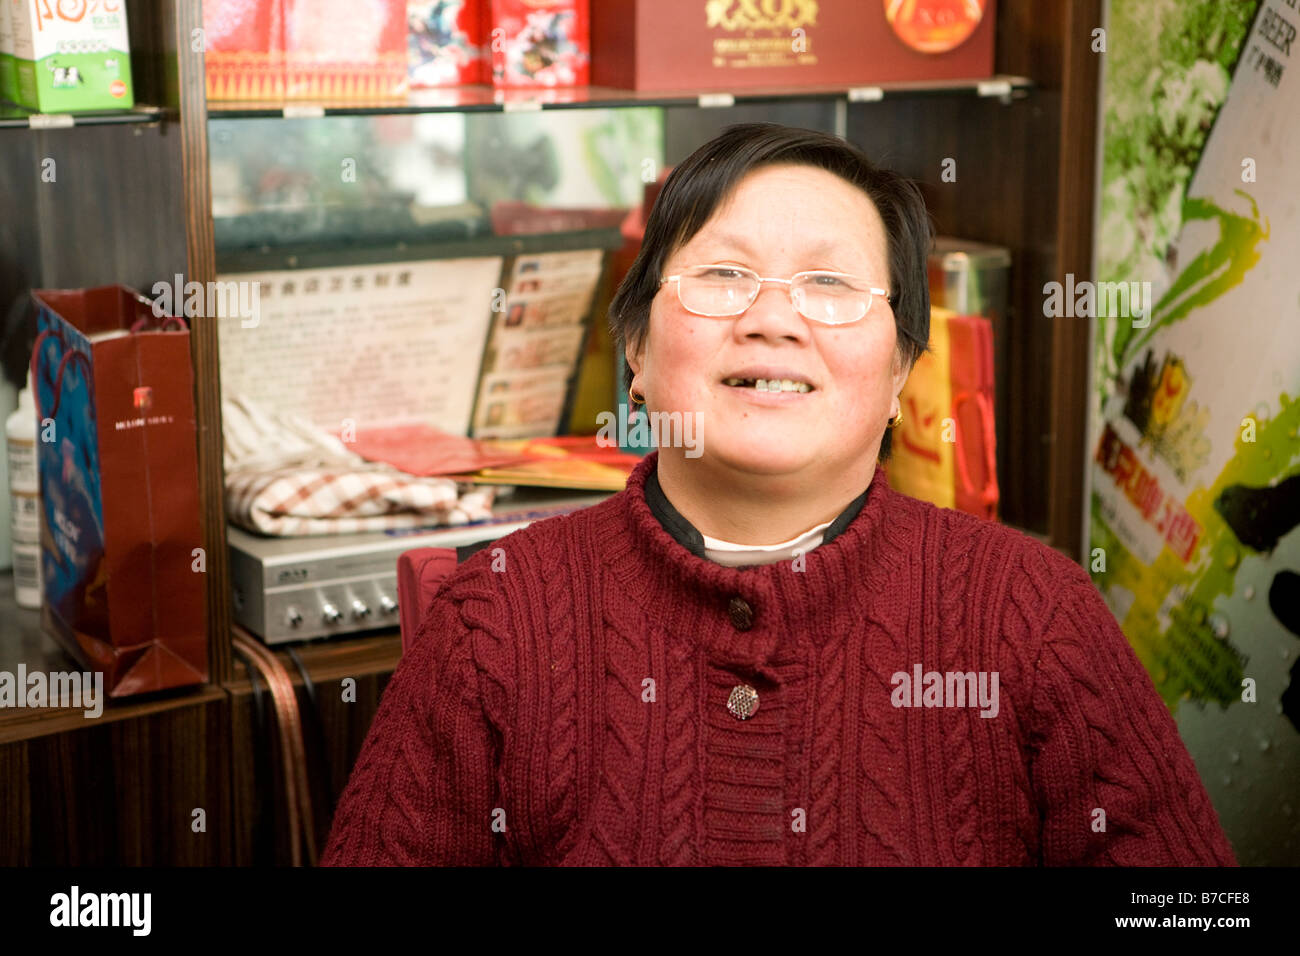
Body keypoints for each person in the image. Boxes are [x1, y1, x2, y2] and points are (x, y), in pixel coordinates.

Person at [321, 123, 1237, 866]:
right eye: (722, 276)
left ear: (901, 375)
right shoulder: (498, 622)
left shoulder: (1031, 612)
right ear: (635, 350)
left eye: (831, 284)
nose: (772, 318)